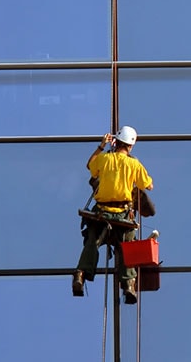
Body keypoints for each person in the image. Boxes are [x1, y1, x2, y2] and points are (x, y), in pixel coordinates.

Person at [72, 126, 154, 304]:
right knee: (128, 247)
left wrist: (101, 146)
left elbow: (90, 165)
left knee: (92, 242)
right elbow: (148, 185)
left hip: (101, 212)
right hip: (122, 214)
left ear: (116, 142)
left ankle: (80, 274)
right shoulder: (134, 164)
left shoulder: (104, 159)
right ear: (130, 146)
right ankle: (128, 285)